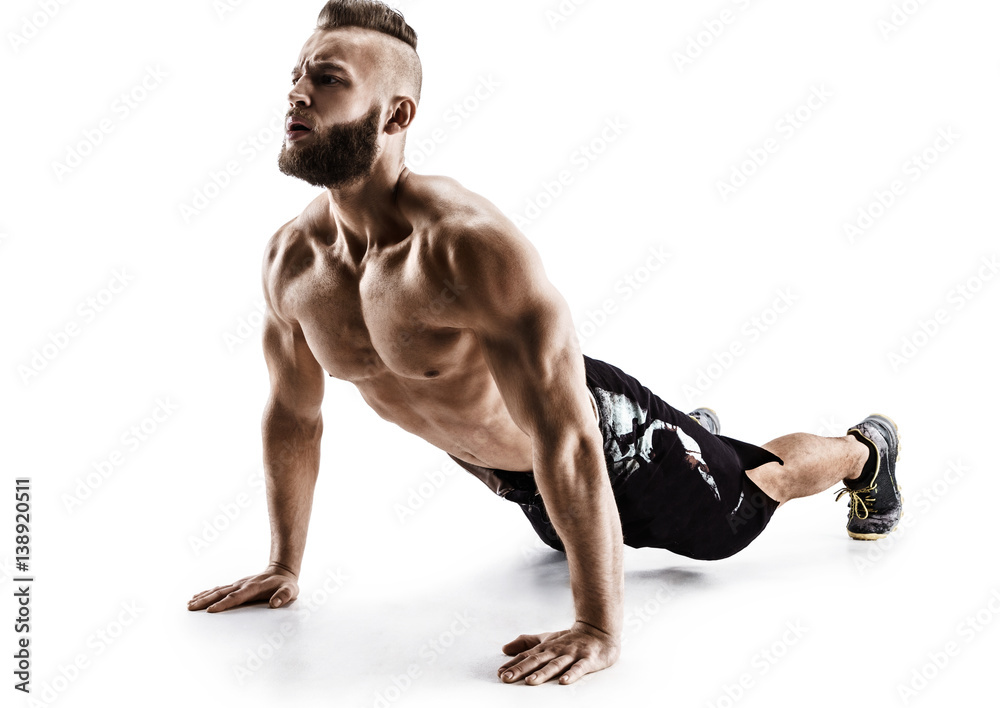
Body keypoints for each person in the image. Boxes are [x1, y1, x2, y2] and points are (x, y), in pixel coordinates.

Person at [187, 0, 902, 686]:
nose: (297, 94)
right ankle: (695, 437)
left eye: (328, 79)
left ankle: (863, 450)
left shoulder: (467, 249)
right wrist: (284, 564)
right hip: (520, 475)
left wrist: (597, 627)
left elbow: (568, 438)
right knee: (563, 539)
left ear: (396, 114)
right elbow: (295, 416)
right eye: (297, 74)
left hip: (605, 438)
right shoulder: (293, 261)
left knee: (733, 519)